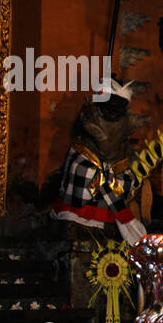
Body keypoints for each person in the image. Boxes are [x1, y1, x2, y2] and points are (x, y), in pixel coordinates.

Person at [50, 79, 147, 245]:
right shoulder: (81, 155)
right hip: (75, 215)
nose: (113, 115)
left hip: (109, 218)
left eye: (118, 109)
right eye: (110, 109)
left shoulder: (124, 135)